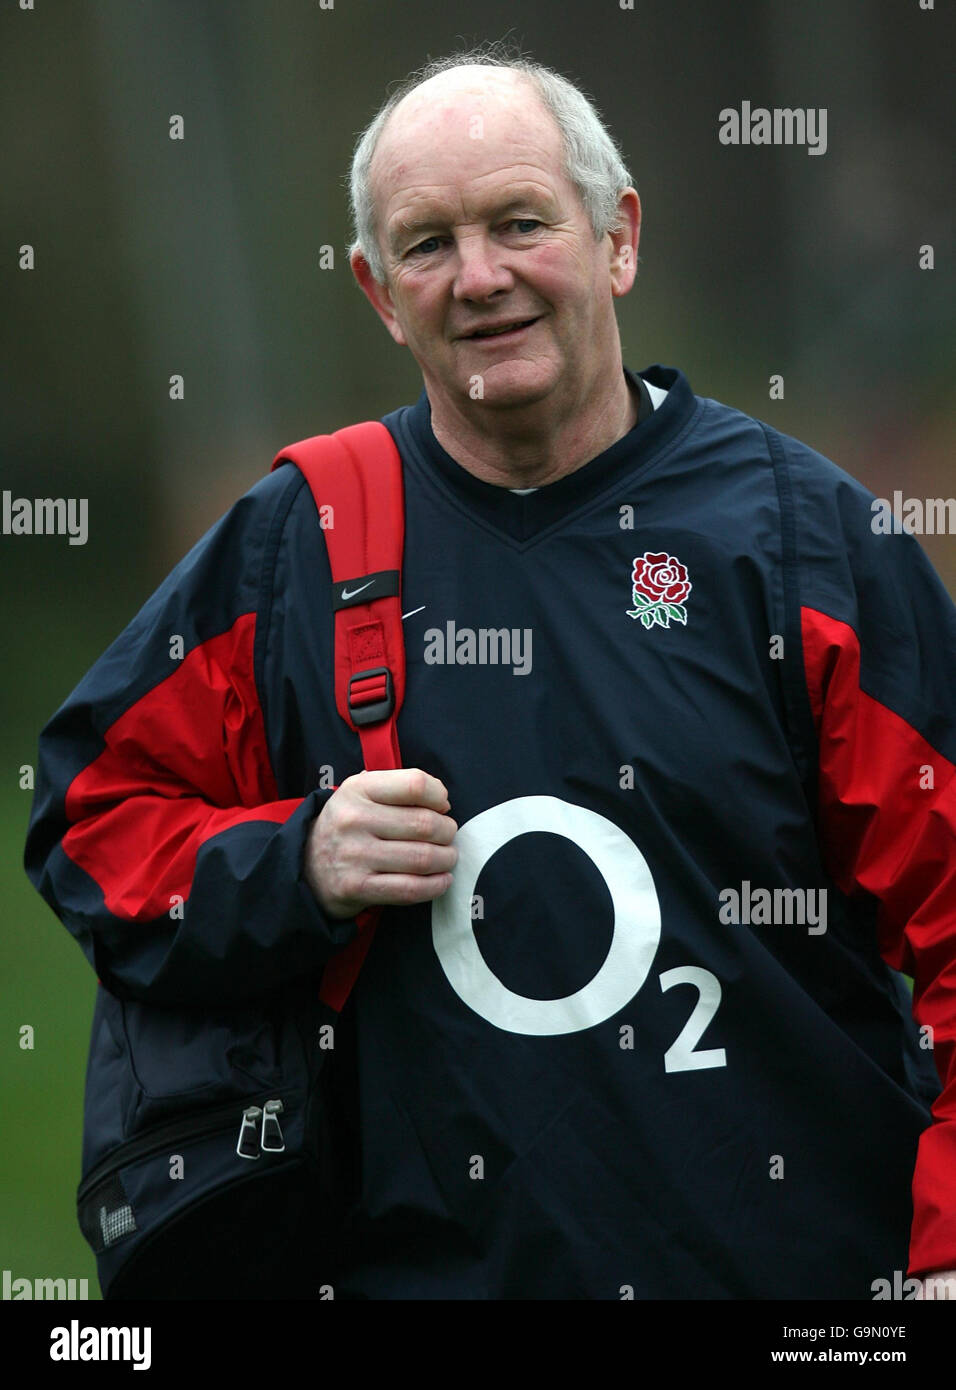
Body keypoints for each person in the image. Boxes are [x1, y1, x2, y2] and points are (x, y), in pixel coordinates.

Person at [25, 47, 956, 1300]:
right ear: (374, 289)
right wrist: (290, 865)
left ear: (616, 237)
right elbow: (91, 822)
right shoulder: (300, 541)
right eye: (426, 243)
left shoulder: (802, 541)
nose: (478, 279)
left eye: (520, 223)